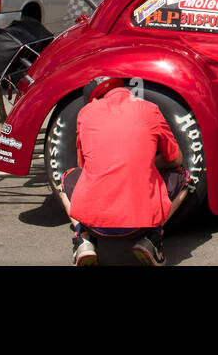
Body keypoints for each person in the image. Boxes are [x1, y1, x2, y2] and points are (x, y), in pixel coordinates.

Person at [58, 76, 191, 266]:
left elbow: (83, 167)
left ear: (95, 99)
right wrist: (148, 163)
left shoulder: (85, 113)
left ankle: (83, 238)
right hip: (141, 223)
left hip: (95, 222)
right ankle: (153, 239)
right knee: (184, 177)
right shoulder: (150, 109)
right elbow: (175, 159)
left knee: (66, 179)